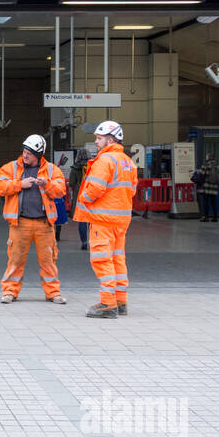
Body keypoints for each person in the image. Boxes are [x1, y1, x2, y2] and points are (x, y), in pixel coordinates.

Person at [0, 133, 68, 305]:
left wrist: (46, 184)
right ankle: (9, 292)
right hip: (20, 223)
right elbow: (0, 187)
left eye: (30, 152)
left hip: (44, 224)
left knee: (48, 261)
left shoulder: (51, 170)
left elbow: (60, 190)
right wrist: (20, 184)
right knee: (15, 260)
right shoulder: (11, 168)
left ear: (39, 155)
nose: (25, 154)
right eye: (24, 150)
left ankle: (53, 293)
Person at [74, 121, 138, 319]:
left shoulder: (105, 160)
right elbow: (133, 189)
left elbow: (94, 189)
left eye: (99, 138)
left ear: (110, 140)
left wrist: (83, 198)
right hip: (121, 220)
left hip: (102, 220)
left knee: (102, 260)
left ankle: (107, 304)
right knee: (118, 260)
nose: (96, 141)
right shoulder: (128, 161)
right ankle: (120, 301)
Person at [198, 155, 219, 222]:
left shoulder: (205, 165)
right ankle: (215, 217)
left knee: (206, 202)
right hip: (214, 187)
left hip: (207, 186)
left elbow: (202, 174)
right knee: (214, 202)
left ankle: (206, 217)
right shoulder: (217, 165)